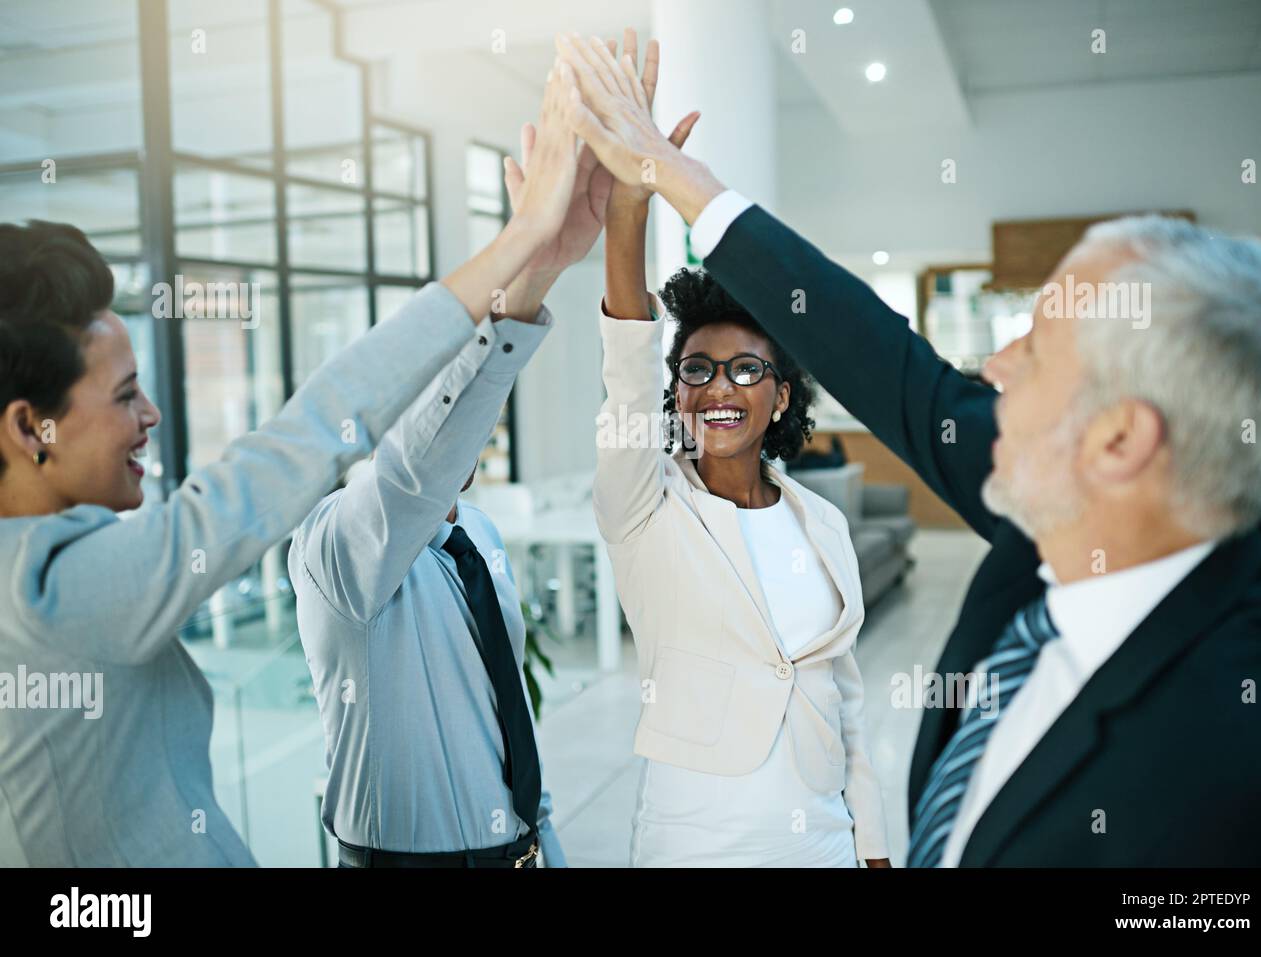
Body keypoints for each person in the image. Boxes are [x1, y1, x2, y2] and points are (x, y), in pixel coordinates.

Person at [558, 29, 1261, 866]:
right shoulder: (1065, 513)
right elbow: (900, 372)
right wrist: (668, 185)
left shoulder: (1253, 749)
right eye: (699, 369)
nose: (994, 365)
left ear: (1120, 439)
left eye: (1039, 350)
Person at [0, 72, 580, 865]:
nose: (151, 415)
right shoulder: (51, 591)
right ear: (32, 426)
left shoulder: (59, 566)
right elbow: (319, 445)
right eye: (127, 394)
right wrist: (518, 246)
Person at [290, 72, 605, 868]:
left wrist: (543, 840)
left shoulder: (478, 534)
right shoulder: (335, 547)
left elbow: (502, 720)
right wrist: (530, 261)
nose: (448, 410)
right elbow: (413, 471)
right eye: (421, 395)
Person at [591, 31, 890, 868]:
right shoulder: (644, 508)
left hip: (823, 836)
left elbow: (847, 699)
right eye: (698, 368)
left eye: (746, 368)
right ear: (678, 388)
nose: (720, 387)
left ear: (782, 392)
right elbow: (623, 378)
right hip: (698, 842)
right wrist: (628, 211)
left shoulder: (820, 522)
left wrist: (873, 843)